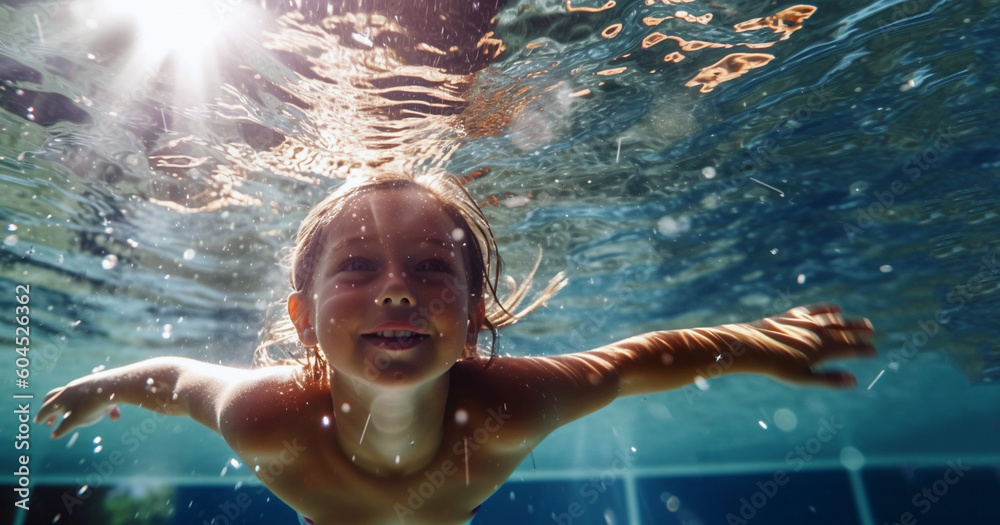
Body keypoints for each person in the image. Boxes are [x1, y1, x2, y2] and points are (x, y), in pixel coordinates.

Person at [36, 170, 875, 525]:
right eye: (358, 267)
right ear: (300, 315)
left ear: (474, 316)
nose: (395, 287)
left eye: (432, 269)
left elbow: (634, 360)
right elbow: (178, 377)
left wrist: (758, 345)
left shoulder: (507, 404)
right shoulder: (266, 416)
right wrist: (103, 379)